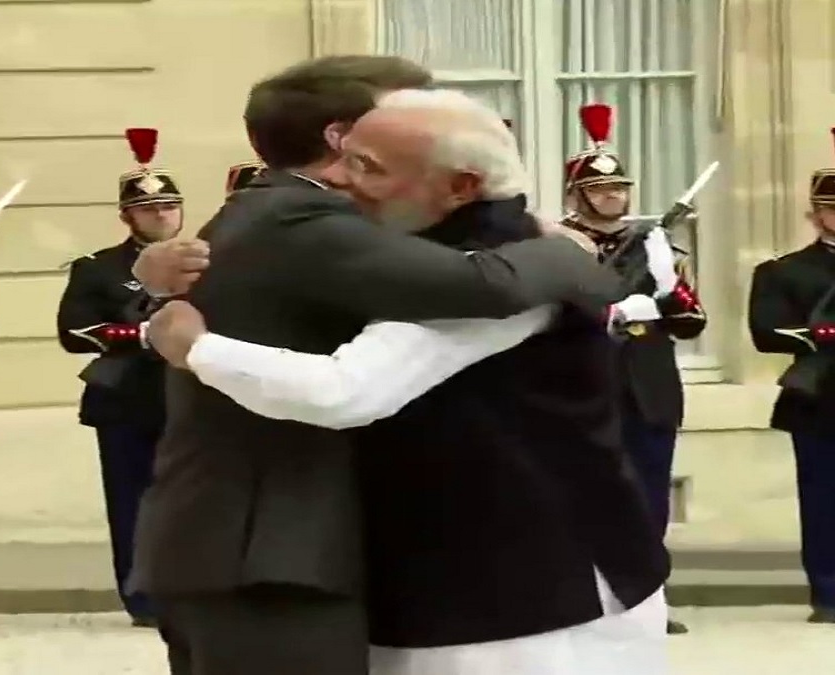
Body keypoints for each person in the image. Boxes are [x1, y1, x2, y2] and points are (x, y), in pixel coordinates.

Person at [127, 56, 624, 675]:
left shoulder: (272, 209)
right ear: (342, 136)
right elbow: (484, 287)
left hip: (247, 542)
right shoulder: (304, 220)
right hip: (269, 551)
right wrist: (576, 254)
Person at [561, 103, 706, 635]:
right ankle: (588, 600)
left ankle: (648, 601)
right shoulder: (558, 246)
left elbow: (692, 321)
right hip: (582, 387)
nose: (613, 198)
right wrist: (615, 311)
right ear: (576, 195)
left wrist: (669, 287)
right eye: (600, 191)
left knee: (648, 499)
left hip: (648, 390)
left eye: (619, 189)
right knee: (581, 494)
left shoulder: (653, 244)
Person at [55, 127, 183, 628]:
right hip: (127, 399)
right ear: (127, 215)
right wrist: (142, 334)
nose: (161, 214)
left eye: (169, 206)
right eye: (149, 209)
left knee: (191, 499)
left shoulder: (207, 261)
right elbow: (74, 332)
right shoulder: (98, 269)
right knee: (132, 502)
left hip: (190, 397)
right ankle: (142, 594)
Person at [748, 133, 835, 624]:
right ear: (816, 214)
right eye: (833, 208)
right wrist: (823, 335)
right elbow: (768, 331)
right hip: (822, 396)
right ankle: (828, 591)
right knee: (823, 498)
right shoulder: (785, 271)